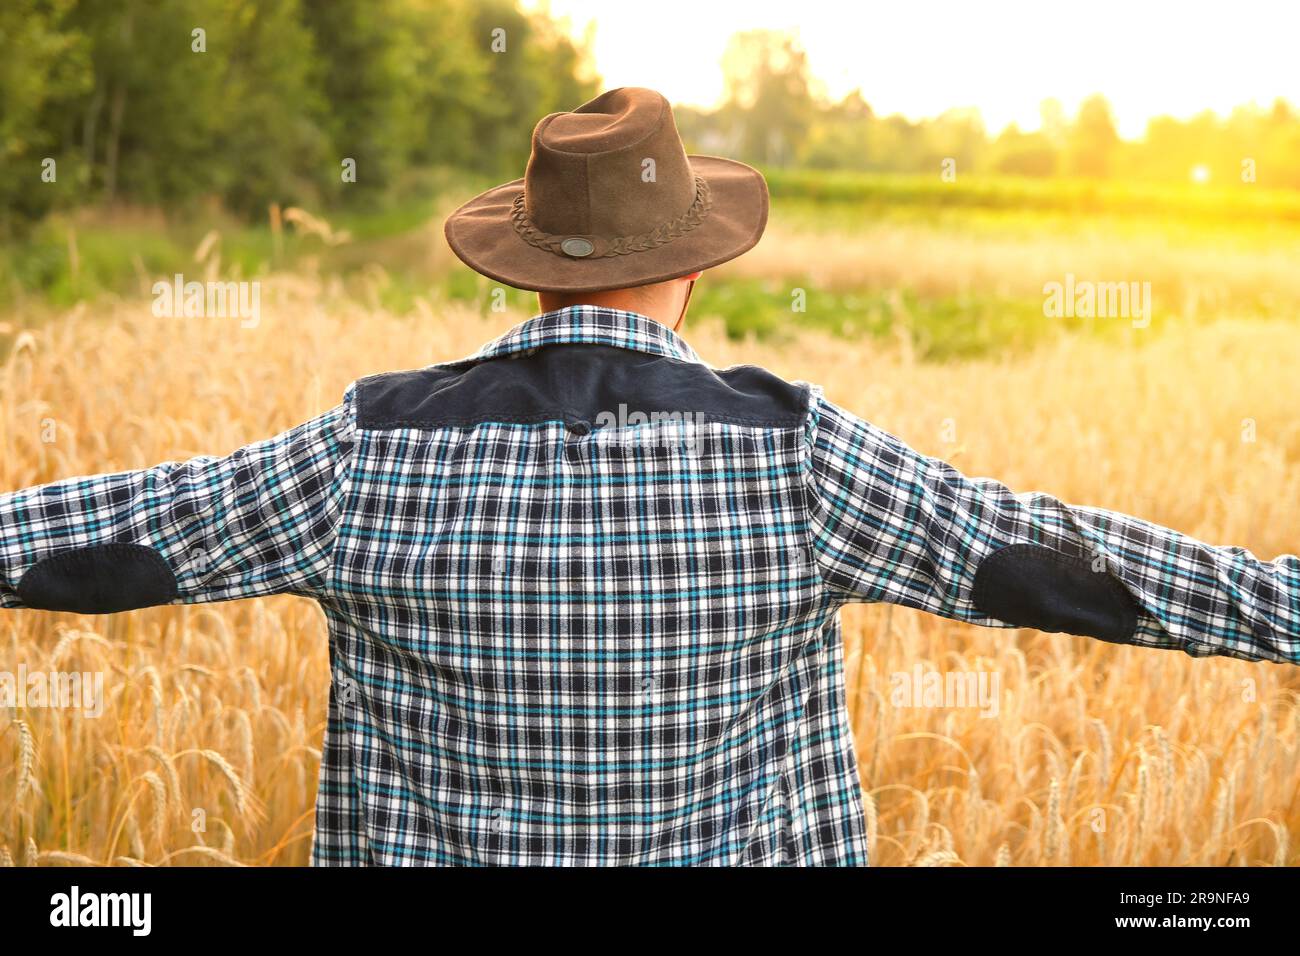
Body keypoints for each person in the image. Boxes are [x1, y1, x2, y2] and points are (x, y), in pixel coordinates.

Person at [1, 88, 1296, 866]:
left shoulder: (366, 455)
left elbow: (120, 537)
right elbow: (1053, 563)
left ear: (520, 261)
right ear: (695, 264)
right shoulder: (797, 458)